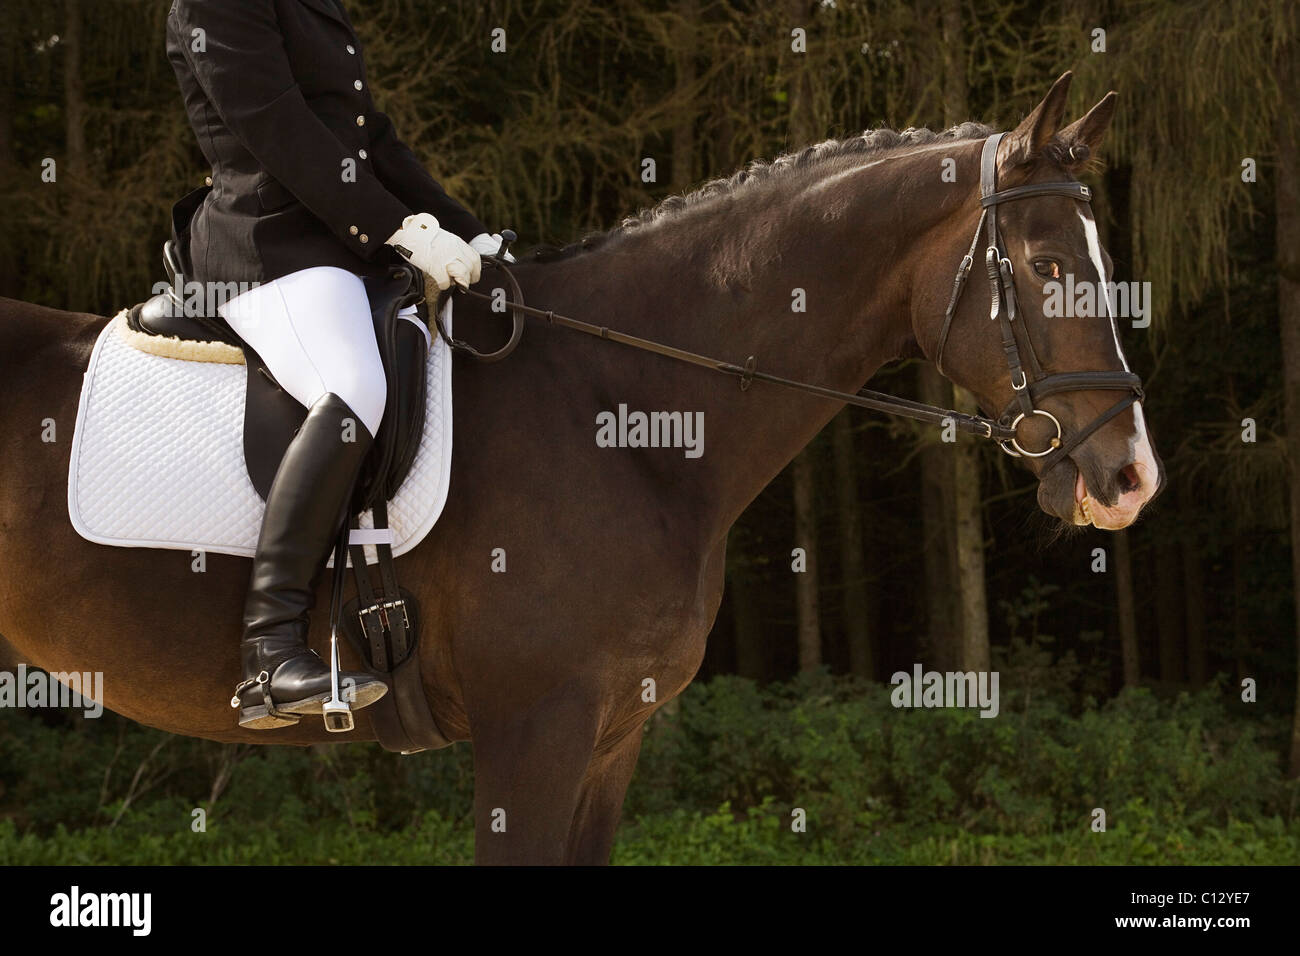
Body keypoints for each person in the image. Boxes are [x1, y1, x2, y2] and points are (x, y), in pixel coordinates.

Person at [166, 0, 503, 729]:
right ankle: (269, 648)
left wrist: (475, 237)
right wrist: (397, 230)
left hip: (345, 251)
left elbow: (369, 139)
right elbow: (278, 130)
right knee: (352, 385)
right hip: (266, 248)